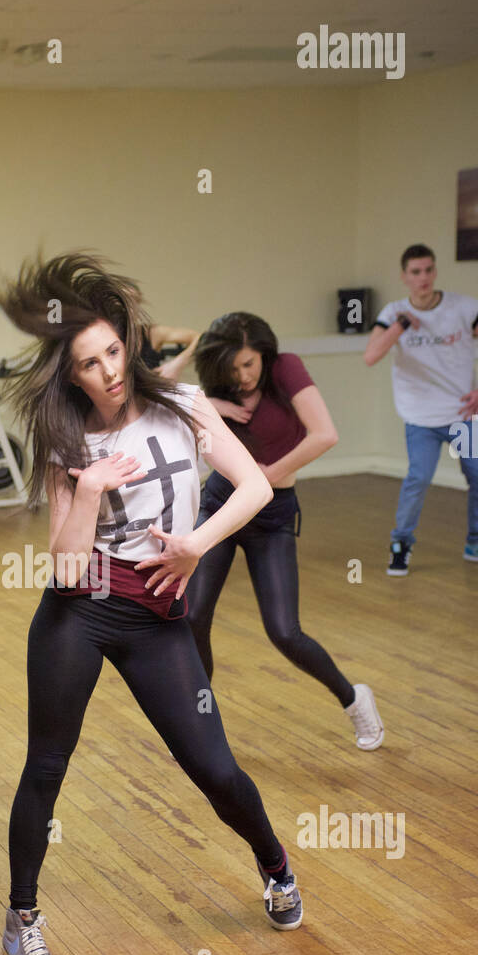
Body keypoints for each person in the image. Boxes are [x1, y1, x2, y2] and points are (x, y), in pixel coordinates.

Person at [0, 252, 304, 955]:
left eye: (111, 352)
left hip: (160, 618)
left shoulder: (187, 405)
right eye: (87, 362)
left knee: (213, 767)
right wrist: (90, 487)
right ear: (68, 374)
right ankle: (22, 919)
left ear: (127, 345)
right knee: (46, 765)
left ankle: (275, 866)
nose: (106, 371)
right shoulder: (69, 443)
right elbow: (65, 569)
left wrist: (197, 544)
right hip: (80, 613)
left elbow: (255, 485)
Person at [186, 312, 384, 751]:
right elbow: (164, 391)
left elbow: (324, 434)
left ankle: (355, 700)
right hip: (221, 502)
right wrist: (209, 403)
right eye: (232, 369)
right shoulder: (218, 387)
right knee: (194, 616)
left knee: (284, 632)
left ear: (264, 354)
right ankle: (203, 725)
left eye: (249, 365)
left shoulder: (287, 368)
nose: (241, 377)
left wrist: (266, 476)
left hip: (271, 515)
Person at [364, 243, 478, 574]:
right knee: (418, 478)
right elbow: (371, 356)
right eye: (416, 272)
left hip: (465, 416)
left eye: (429, 270)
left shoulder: (463, 308)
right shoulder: (393, 314)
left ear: (435, 271)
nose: (424, 278)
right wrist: (401, 325)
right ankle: (400, 545)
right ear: (404, 276)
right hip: (420, 418)